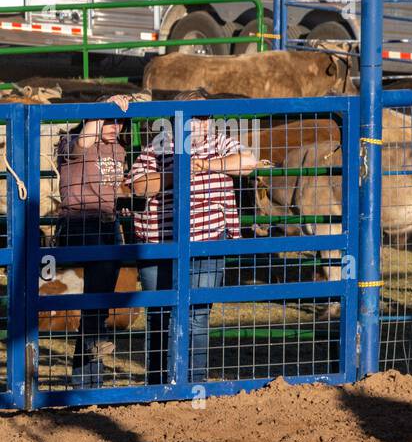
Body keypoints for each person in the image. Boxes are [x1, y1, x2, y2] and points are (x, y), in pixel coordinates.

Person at [126, 90, 259, 386]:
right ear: (177, 119)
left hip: (207, 240)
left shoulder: (220, 143)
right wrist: (179, 173)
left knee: (197, 314)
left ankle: (190, 382)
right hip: (160, 242)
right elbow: (137, 185)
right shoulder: (158, 147)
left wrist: (205, 165)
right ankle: (159, 385)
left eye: (205, 117)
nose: (202, 123)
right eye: (195, 117)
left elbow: (249, 161)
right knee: (159, 314)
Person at [55, 93, 136, 387]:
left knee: (98, 306)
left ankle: (87, 383)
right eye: (108, 119)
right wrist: (103, 109)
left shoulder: (119, 150)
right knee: (96, 303)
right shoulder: (71, 141)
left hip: (107, 224)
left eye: (119, 120)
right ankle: (93, 352)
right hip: (79, 223)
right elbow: (83, 144)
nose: (115, 126)